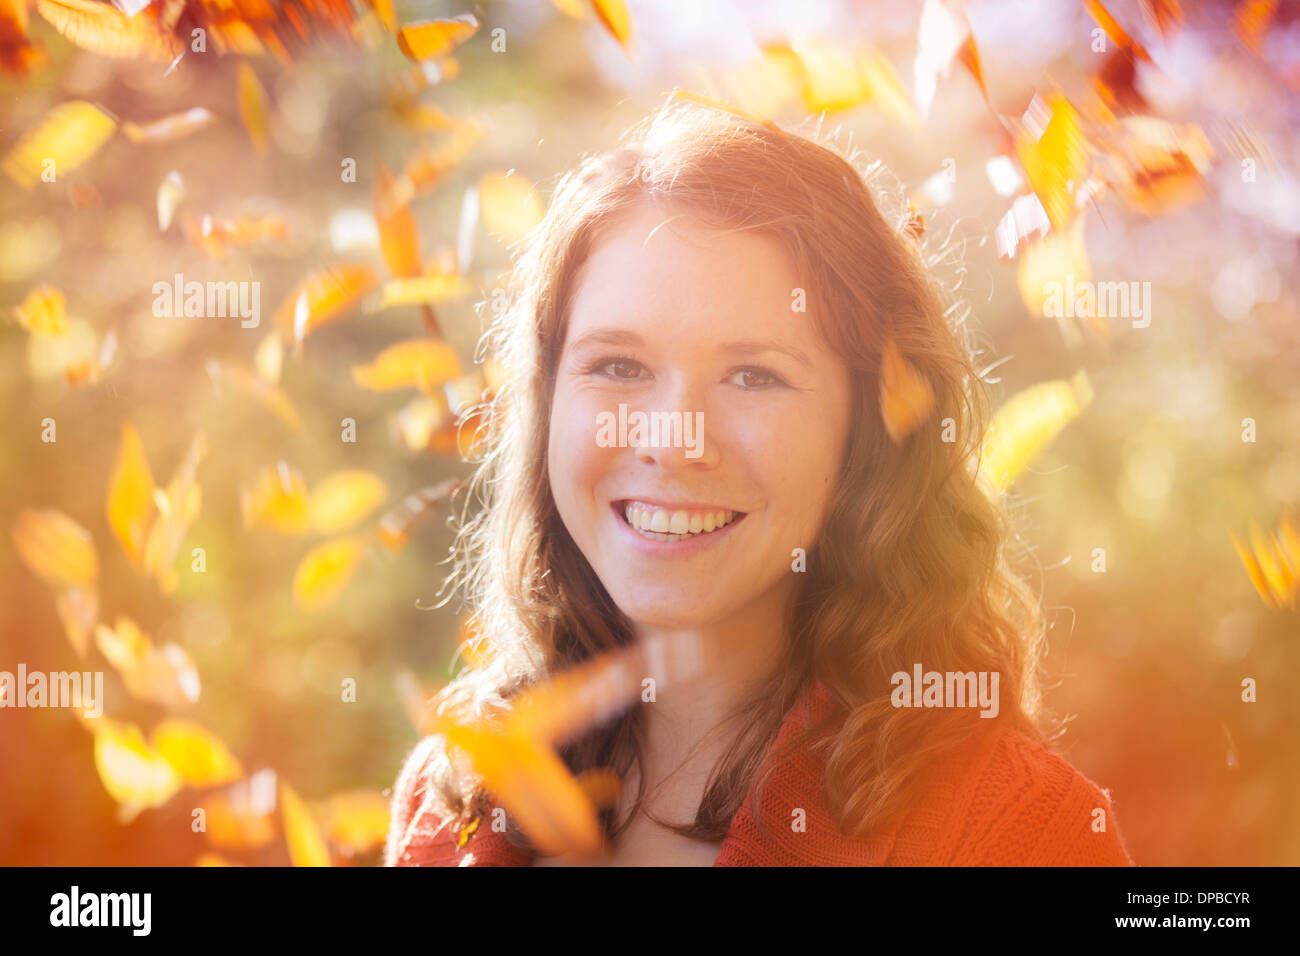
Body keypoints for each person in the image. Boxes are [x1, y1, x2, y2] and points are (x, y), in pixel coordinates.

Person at [384, 98, 1135, 867]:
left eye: (754, 375)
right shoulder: (451, 795)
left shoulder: (1018, 833)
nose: (673, 442)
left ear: (868, 431)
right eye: (618, 366)